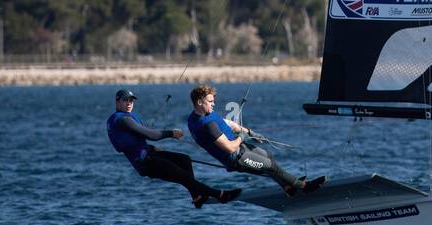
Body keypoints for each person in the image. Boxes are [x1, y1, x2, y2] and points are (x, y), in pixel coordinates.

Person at [106, 88, 241, 209]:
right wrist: (171, 133)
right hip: (145, 162)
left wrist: (151, 147)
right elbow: (150, 134)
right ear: (117, 102)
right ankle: (221, 195)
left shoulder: (127, 117)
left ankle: (197, 196)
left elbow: (135, 141)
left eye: (131, 100)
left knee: (184, 160)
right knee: (183, 177)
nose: (129, 103)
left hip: (150, 154)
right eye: (125, 100)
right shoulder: (122, 120)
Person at [186, 84, 323, 196]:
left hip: (241, 147)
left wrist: (250, 132)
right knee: (270, 166)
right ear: (199, 102)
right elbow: (230, 148)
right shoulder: (206, 125)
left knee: (267, 156)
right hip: (236, 158)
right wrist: (242, 137)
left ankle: (288, 188)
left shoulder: (198, 116)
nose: (213, 104)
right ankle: (304, 186)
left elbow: (228, 123)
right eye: (210, 101)